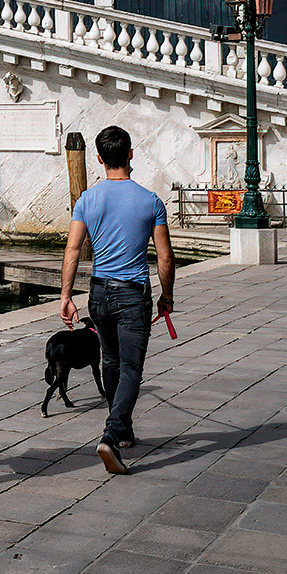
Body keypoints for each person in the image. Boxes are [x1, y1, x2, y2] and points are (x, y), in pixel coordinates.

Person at [60, 125, 173, 476]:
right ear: (130, 154)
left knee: (110, 359)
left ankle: (122, 429)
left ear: (98, 158)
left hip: (98, 292)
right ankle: (112, 433)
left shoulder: (86, 200)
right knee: (131, 367)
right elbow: (165, 257)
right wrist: (167, 297)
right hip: (132, 292)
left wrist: (66, 295)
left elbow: (73, 250)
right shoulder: (150, 201)